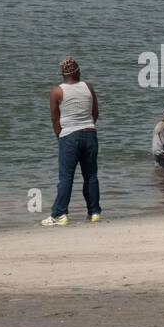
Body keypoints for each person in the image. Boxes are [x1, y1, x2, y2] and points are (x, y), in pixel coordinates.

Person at [43, 57, 102, 225]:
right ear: (78, 72)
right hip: (90, 134)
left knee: (66, 177)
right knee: (91, 176)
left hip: (69, 136)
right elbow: (95, 113)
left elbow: (55, 120)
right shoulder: (88, 87)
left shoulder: (57, 91)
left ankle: (60, 214)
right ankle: (94, 212)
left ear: (62, 74)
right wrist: (86, 126)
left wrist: (61, 137)